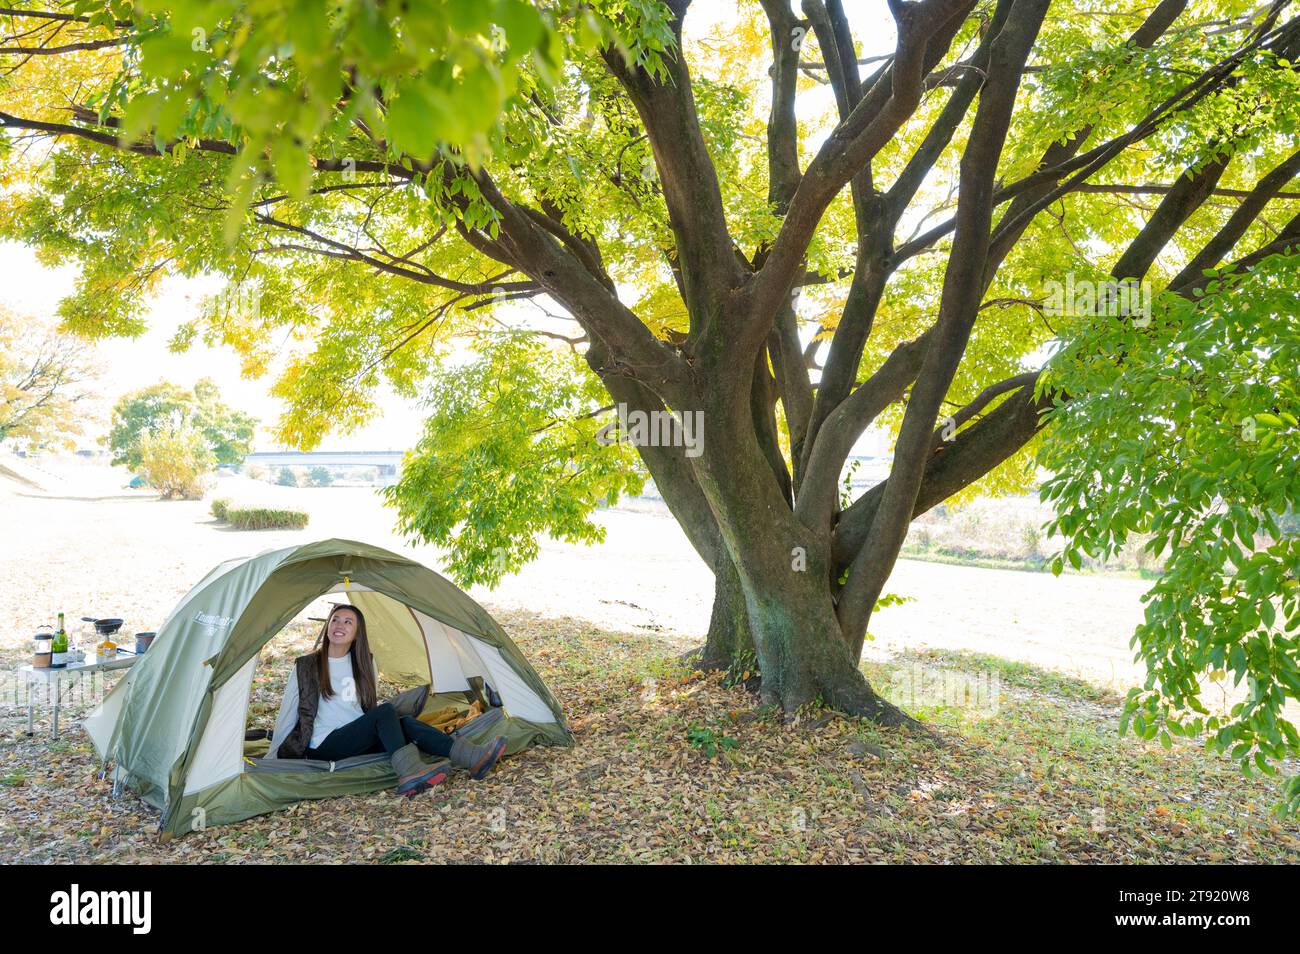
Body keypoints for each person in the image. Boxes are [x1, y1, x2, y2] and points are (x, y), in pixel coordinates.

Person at [272, 604, 507, 796]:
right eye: (335, 620)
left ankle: (472, 758)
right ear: (327, 627)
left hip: (356, 737)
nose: (339, 625)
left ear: (356, 633)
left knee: (404, 723)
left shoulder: (364, 663)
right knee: (384, 713)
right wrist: (274, 758)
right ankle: (409, 772)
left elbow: (364, 709)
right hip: (323, 744)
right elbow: (289, 712)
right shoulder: (306, 666)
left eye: (347, 622)